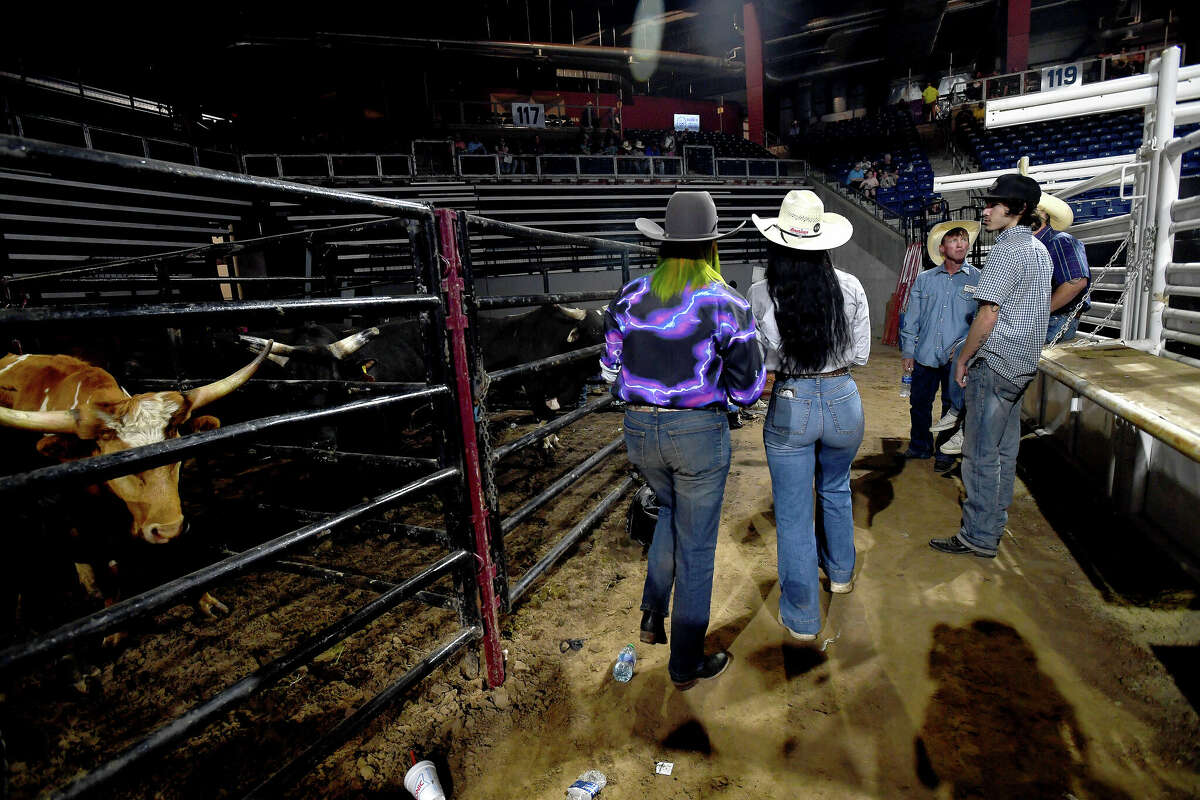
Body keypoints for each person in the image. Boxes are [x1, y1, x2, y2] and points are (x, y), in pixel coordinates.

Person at [602, 191, 765, 689]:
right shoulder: (728, 302)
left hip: (639, 430)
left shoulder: (629, 295)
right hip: (696, 435)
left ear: (664, 243)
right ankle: (686, 663)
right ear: (712, 244)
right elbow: (748, 389)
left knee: (669, 513)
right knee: (697, 548)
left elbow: (609, 366)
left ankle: (654, 612)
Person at [748, 190, 870, 640]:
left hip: (792, 398)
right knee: (836, 487)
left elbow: (763, 360)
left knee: (794, 511)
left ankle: (802, 617)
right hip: (842, 396)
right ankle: (840, 574)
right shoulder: (851, 286)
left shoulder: (761, 292)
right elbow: (861, 354)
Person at [930, 174, 1051, 559]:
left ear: (1017, 209)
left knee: (980, 453)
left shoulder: (1006, 250)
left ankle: (979, 535)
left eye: (993, 204)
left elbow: (988, 313)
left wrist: (963, 359)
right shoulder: (1039, 250)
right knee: (1003, 452)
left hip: (996, 363)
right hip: (1022, 363)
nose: (985, 210)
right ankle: (991, 526)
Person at [899, 220, 981, 472]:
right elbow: (911, 318)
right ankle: (919, 446)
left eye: (964, 239)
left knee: (953, 406)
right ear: (942, 248)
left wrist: (968, 351)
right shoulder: (925, 279)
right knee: (919, 403)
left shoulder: (979, 278)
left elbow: (982, 320)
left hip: (957, 359)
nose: (961, 244)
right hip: (925, 354)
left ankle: (944, 452)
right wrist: (908, 351)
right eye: (954, 240)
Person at [1033, 193, 1090, 344]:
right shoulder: (1037, 244)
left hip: (1053, 321)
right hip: (1048, 320)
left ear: (1044, 215)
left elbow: (1076, 282)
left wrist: (1037, 314)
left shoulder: (1060, 240)